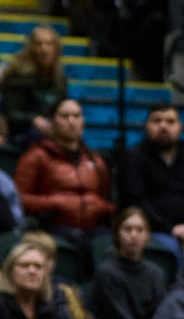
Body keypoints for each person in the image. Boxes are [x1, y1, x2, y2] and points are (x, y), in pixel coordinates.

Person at [13, 98, 113, 248]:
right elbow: (18, 200)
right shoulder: (35, 157)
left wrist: (100, 205)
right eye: (65, 116)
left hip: (95, 230)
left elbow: (108, 201)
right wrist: (55, 202)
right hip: (54, 230)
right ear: (52, 122)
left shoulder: (96, 160)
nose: (71, 121)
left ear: (83, 122)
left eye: (77, 116)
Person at [122, 103, 184, 252]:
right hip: (153, 231)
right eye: (157, 121)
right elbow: (135, 200)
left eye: (170, 121)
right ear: (146, 126)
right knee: (171, 248)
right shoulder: (135, 157)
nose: (163, 126)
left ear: (180, 127)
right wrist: (170, 228)